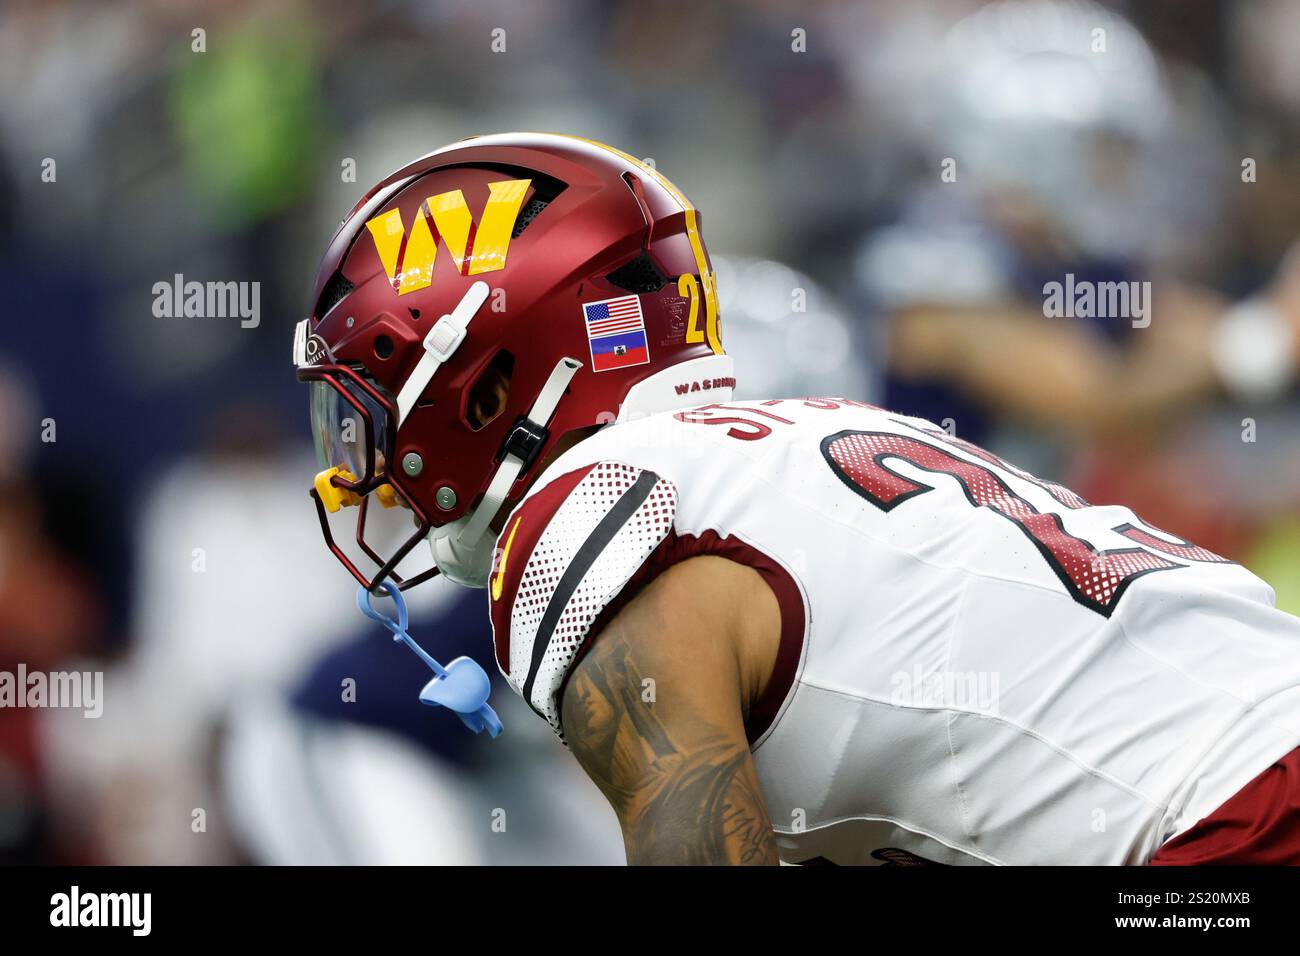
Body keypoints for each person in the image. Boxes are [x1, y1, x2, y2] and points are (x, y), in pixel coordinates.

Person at [293, 133, 1300, 865]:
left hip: (1238, 816)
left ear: (488, 383)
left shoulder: (586, 523)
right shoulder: (795, 430)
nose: (357, 464)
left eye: (367, 409)